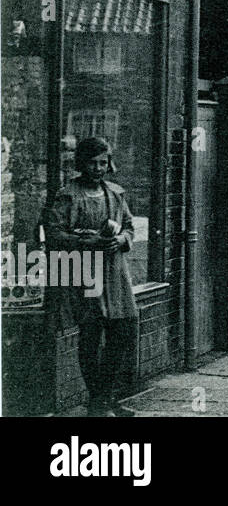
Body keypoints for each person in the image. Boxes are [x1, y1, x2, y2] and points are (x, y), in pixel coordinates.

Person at [42, 137, 138, 417]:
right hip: (84, 273)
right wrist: (85, 241)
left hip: (115, 274)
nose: (98, 168)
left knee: (121, 334)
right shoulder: (68, 194)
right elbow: (54, 234)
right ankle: (99, 404)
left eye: (103, 162)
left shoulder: (116, 193)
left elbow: (130, 227)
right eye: (92, 163)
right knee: (91, 337)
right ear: (81, 163)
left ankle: (103, 399)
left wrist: (121, 239)